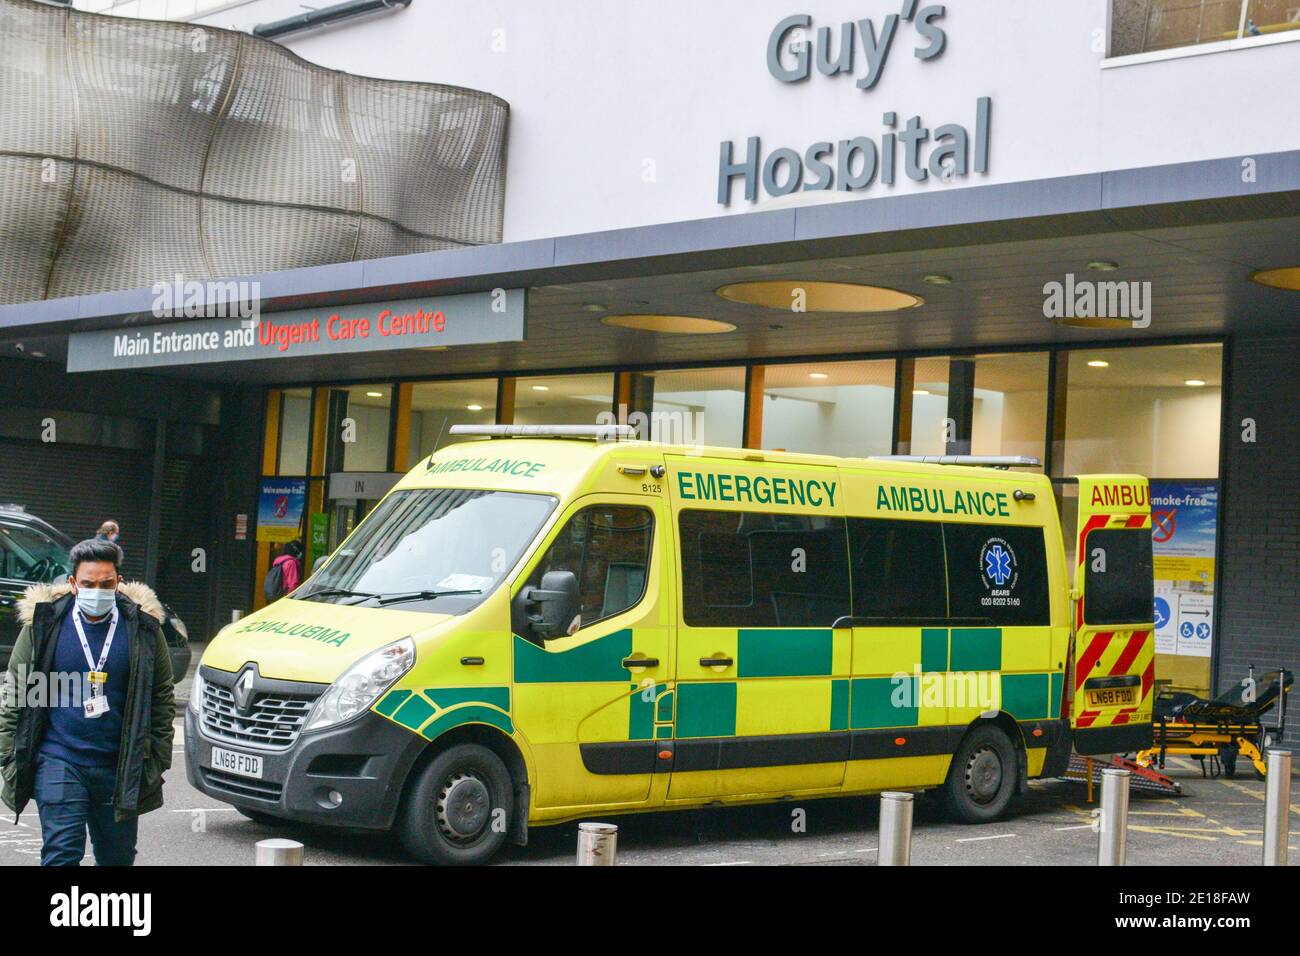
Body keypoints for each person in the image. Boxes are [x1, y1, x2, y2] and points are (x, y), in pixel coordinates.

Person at [0, 538, 174, 866]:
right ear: (72, 583)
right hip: (59, 759)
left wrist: (157, 759)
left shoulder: (142, 629)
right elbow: (17, 691)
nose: (97, 591)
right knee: (61, 854)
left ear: (118, 582)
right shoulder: (45, 624)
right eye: (88, 584)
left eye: (106, 584)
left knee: (116, 858)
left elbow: (162, 697)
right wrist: (8, 755)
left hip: (119, 765)